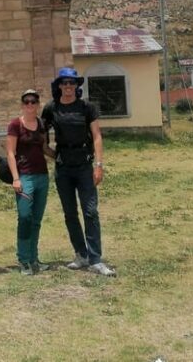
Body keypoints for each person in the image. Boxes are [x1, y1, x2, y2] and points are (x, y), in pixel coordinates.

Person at [42, 67, 116, 277]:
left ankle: (95, 259)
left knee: (90, 211)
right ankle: (81, 254)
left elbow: (97, 136)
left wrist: (99, 165)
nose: (68, 86)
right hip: (64, 168)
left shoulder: (86, 107)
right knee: (70, 213)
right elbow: (41, 137)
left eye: (72, 83)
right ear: (59, 86)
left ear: (77, 86)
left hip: (84, 165)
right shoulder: (51, 108)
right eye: (64, 82)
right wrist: (53, 154)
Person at [6, 89, 51, 276]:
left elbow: (45, 148)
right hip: (25, 177)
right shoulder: (15, 125)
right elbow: (10, 153)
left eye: (34, 102)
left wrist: (63, 157)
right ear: (22, 105)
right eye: (27, 102)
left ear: (38, 104)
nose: (30, 105)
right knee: (25, 217)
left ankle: (34, 258)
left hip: (42, 176)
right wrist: (16, 178)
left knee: (36, 220)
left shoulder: (41, 124)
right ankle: (23, 259)